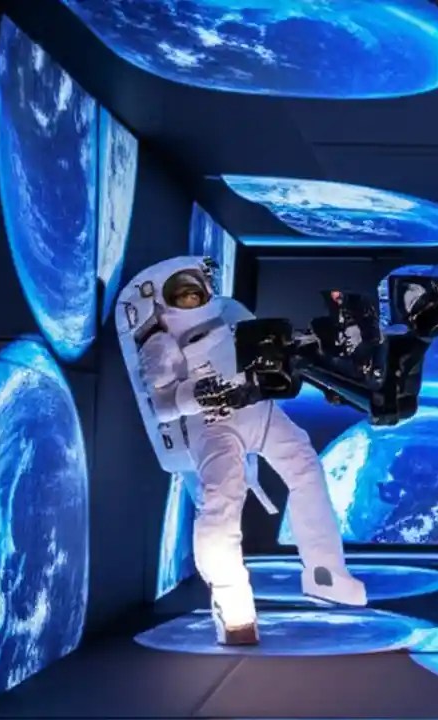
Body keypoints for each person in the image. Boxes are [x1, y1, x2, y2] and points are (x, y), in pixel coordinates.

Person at [129, 256, 367, 645]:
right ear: (168, 301)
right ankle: (232, 604)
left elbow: (267, 345)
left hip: (258, 409)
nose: (190, 296)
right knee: (223, 501)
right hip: (213, 423)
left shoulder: (231, 313)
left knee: (306, 467)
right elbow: (162, 404)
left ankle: (327, 575)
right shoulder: (162, 342)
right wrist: (198, 394)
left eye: (194, 290)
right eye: (181, 293)